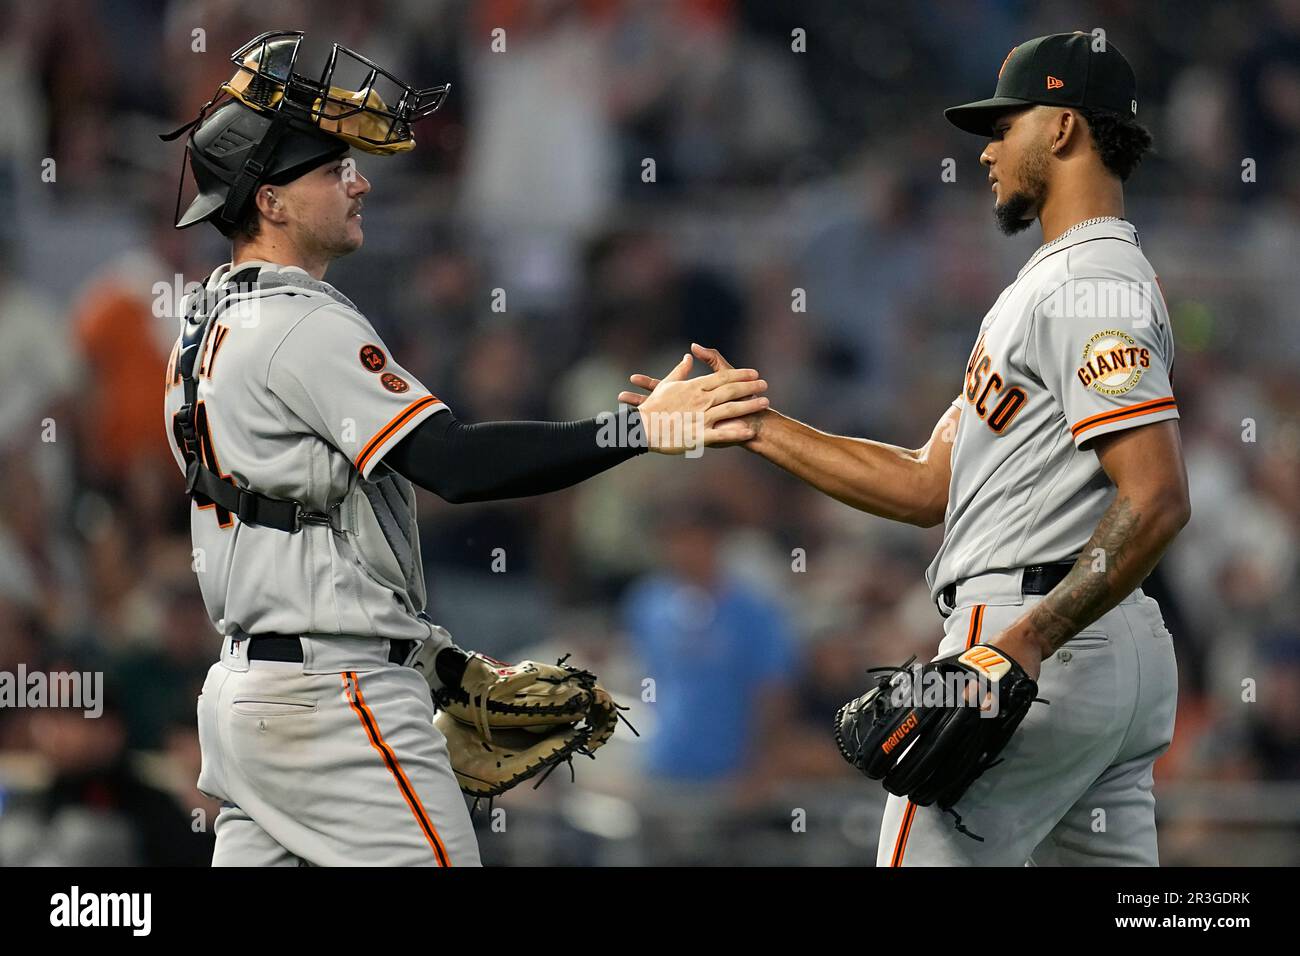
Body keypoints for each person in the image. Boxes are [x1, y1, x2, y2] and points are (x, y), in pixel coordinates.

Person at [161, 31, 768, 867]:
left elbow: (309, 537)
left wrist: (431, 659)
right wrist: (637, 427)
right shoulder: (301, 322)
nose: (360, 181)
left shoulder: (202, 330)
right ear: (269, 200)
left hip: (247, 699)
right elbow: (455, 463)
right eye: (334, 168)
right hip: (333, 702)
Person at [623, 33, 1189, 866]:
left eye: (1005, 126)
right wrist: (751, 424)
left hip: (1032, 632)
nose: (988, 151)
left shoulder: (1090, 284)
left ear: (1064, 127)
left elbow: (1158, 495)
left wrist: (1027, 640)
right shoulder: (1055, 284)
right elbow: (929, 484)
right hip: (1102, 649)